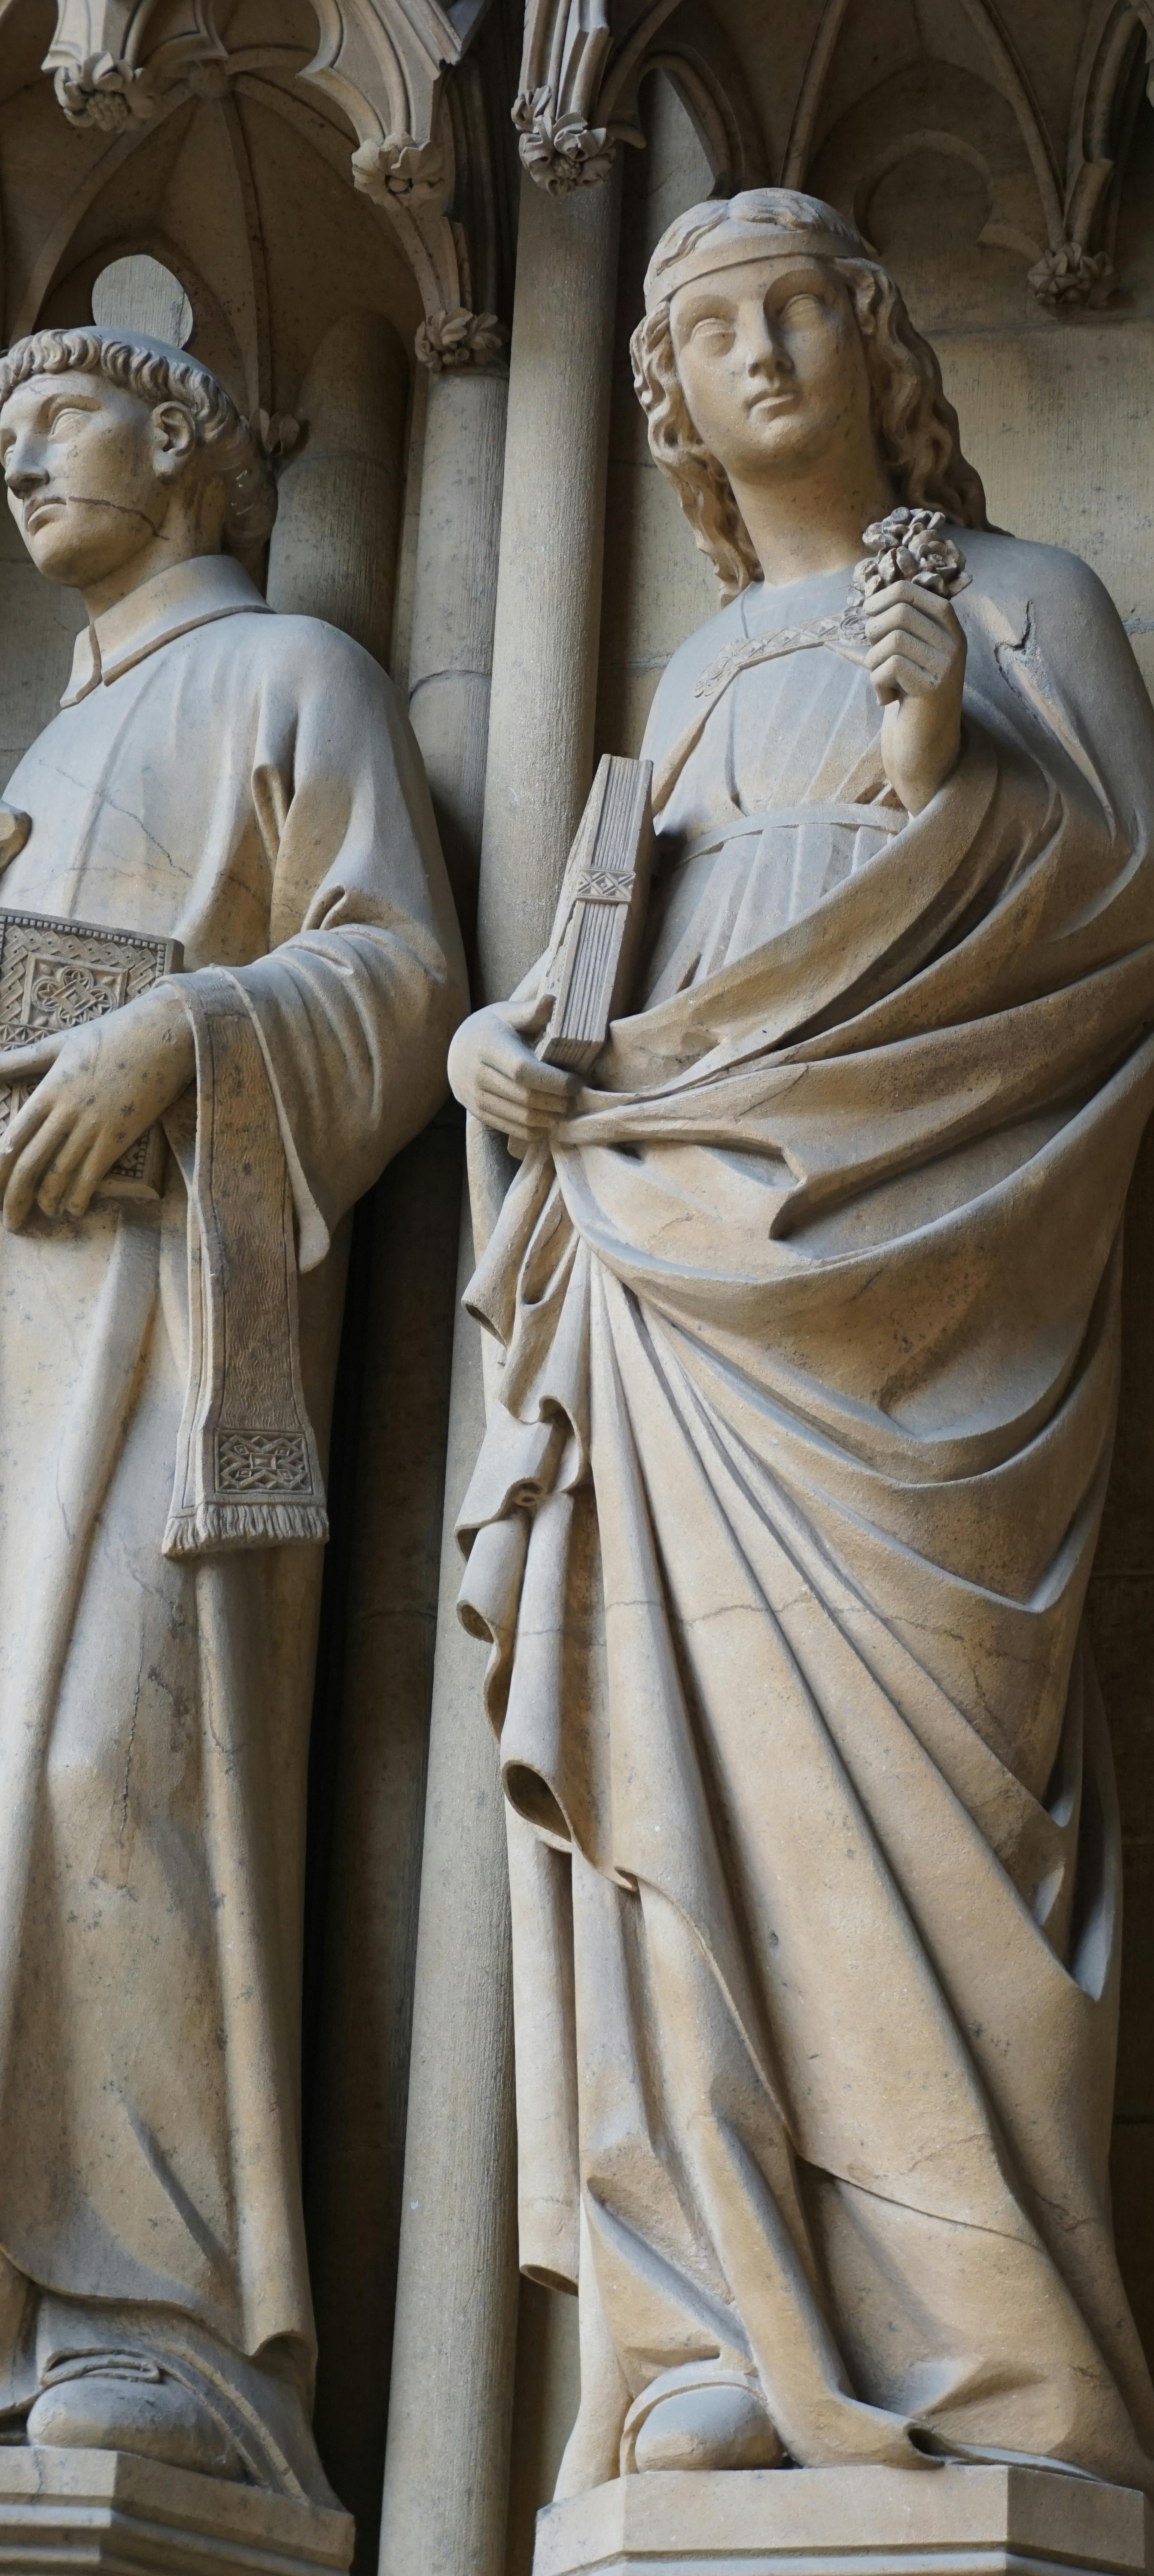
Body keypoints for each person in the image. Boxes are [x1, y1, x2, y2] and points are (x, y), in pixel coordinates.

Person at [449, 188, 1154, 2561]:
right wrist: (515, 1052)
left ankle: (988, 2351)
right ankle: (710, 2333)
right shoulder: (678, 690)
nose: (759, 350)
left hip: (916, 1325)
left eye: (800, 307)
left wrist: (943, 766)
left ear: (885, 351)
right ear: (659, 398)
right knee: (682, 1770)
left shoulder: (1025, 606)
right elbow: (618, 992)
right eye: (703, 329)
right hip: (674, 1306)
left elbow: (1144, 922)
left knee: (928, 1802)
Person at [0, 325, 464, 2493]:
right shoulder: (43, 737)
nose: (15, 460)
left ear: (179, 439)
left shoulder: (294, 672)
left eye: (54, 418)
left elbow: (397, 974)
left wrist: (181, 1033)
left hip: (171, 1317)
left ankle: (165, 2315)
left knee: (115, 1755)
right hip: (19, 1312)